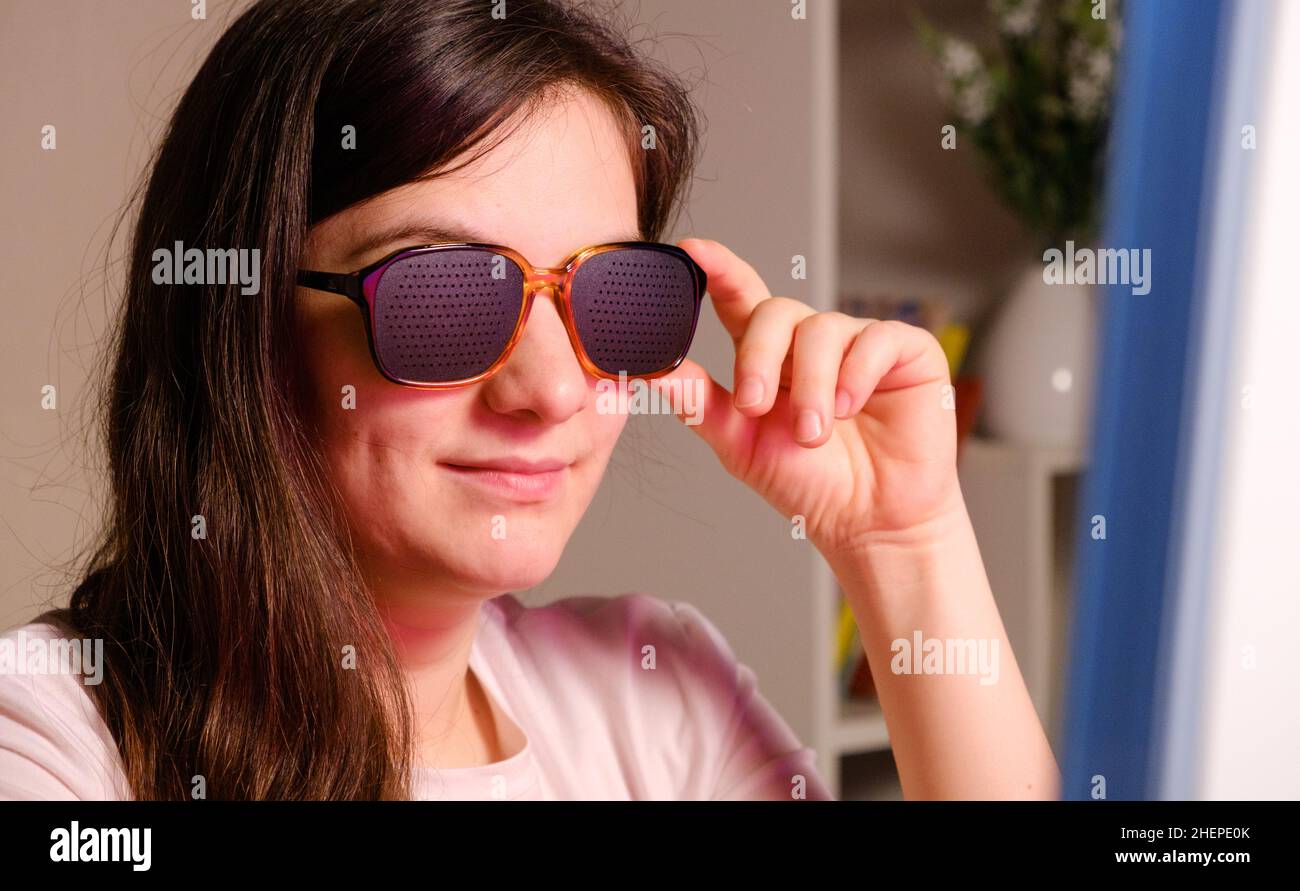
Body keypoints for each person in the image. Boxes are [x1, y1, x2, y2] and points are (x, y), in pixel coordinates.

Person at [0, 0, 1057, 800]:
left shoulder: (657, 697)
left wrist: (900, 543)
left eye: (610, 298)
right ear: (245, 322)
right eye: (448, 294)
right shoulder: (51, 739)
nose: (552, 389)